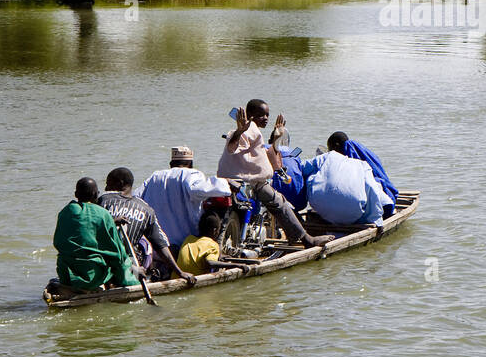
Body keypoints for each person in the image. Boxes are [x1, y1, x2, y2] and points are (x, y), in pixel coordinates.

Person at [219, 100, 332, 248]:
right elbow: (233, 147)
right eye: (261, 115)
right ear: (250, 115)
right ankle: (306, 239)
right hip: (249, 182)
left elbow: (266, 156)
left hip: (234, 180)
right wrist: (240, 131)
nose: (265, 118)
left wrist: (277, 139)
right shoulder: (247, 130)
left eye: (267, 115)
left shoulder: (251, 131)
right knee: (279, 202)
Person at [99, 167, 193, 285]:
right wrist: (180, 272)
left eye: (108, 184)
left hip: (104, 264)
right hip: (130, 266)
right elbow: (161, 245)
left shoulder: (103, 200)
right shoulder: (146, 209)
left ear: (120, 183)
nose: (106, 188)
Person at [135, 146, 230, 255]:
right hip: (185, 244)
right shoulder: (191, 174)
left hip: (157, 244)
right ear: (190, 164)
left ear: (171, 164)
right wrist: (224, 182)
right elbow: (204, 189)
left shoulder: (155, 176)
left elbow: (136, 196)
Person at [53, 177, 138, 292]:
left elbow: (83, 225)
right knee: (119, 259)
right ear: (95, 195)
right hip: (92, 278)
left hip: (66, 275)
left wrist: (111, 221)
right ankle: (120, 281)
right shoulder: (103, 214)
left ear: (76, 194)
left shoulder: (65, 212)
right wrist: (132, 269)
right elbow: (117, 253)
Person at [300, 131, 394, 227]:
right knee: (374, 186)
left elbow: (300, 168)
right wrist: (376, 219)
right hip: (354, 214)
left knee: (311, 176)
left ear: (334, 147)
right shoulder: (362, 165)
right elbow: (372, 189)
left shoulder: (324, 157)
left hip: (321, 210)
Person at [176, 210, 226, 276]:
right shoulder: (213, 244)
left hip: (175, 277)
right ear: (215, 230)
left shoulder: (189, 239)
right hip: (193, 281)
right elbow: (210, 263)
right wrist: (237, 265)